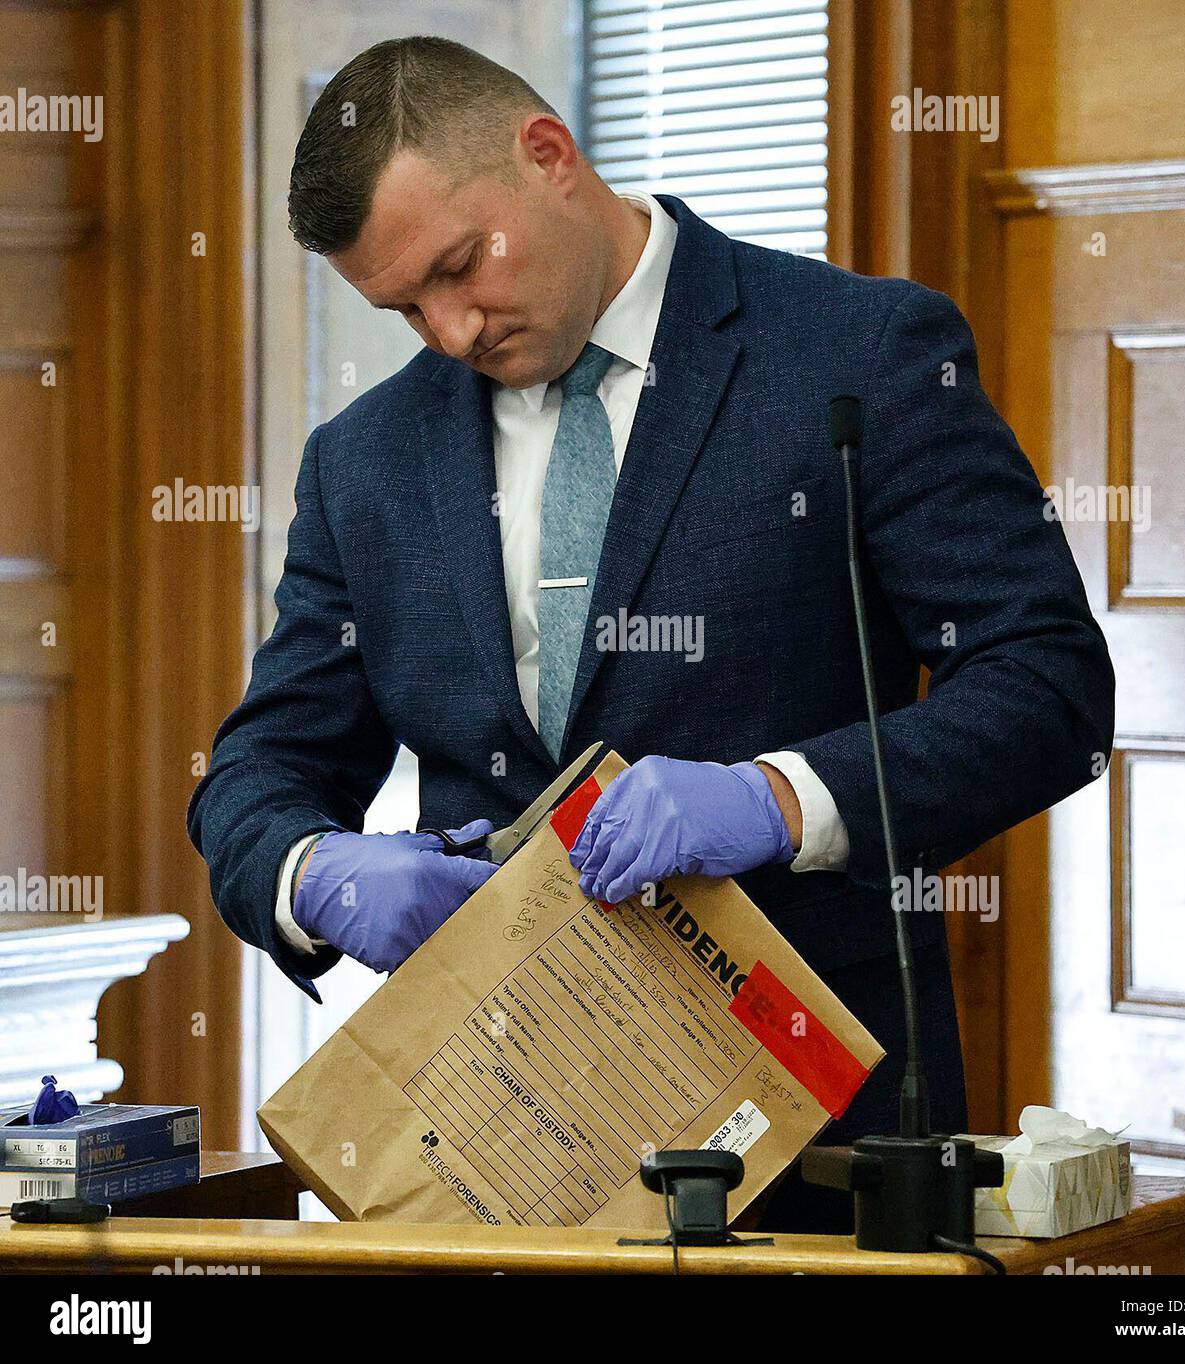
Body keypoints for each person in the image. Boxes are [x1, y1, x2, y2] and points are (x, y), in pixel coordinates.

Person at [187, 36, 1114, 1233]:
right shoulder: (364, 458)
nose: (451, 329)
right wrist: (316, 873)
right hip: (484, 1156)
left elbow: (1051, 688)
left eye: (462, 267)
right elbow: (258, 772)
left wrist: (779, 799)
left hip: (818, 1156)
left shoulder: (859, 355)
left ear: (547, 155)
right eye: (404, 305)